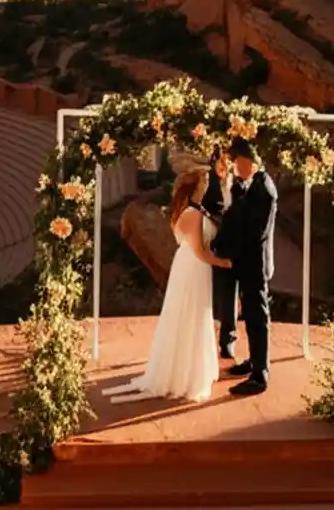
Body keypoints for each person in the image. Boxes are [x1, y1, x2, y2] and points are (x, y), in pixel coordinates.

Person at [102, 168, 231, 404]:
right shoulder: (192, 215)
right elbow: (201, 253)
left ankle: (187, 367)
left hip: (188, 265)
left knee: (189, 317)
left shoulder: (186, 212)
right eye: (203, 185)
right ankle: (186, 375)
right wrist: (224, 262)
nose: (207, 189)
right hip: (193, 267)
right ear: (195, 190)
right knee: (191, 317)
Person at [212, 137, 278, 396]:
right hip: (246, 263)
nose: (235, 168)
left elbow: (255, 232)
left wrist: (226, 249)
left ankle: (260, 373)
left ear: (248, 161)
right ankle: (253, 361)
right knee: (250, 315)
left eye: (237, 162)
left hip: (255, 264)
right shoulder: (251, 184)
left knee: (257, 316)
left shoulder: (264, 189)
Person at [201, 146, 239, 361]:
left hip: (233, 247)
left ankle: (228, 341)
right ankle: (201, 338)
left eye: (228, 162)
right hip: (210, 245)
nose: (224, 166)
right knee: (205, 292)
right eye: (221, 162)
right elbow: (200, 208)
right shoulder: (207, 183)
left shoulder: (241, 183)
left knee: (230, 294)